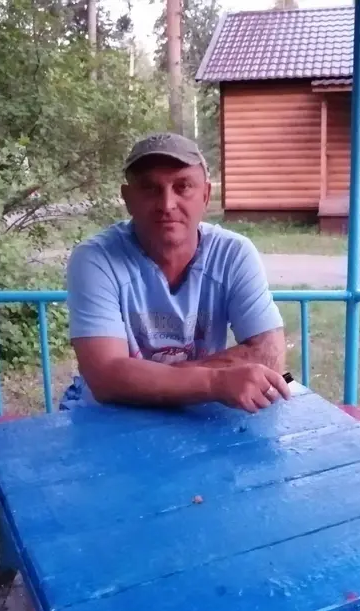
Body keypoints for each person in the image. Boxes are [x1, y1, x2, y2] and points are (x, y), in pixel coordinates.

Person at [61, 132, 290, 413]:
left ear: (205, 195)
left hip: (195, 414)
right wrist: (215, 382)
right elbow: (106, 378)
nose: (167, 204)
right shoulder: (96, 258)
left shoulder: (233, 254)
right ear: (128, 198)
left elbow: (269, 354)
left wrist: (143, 379)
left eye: (183, 187)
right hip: (113, 418)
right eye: (150, 188)